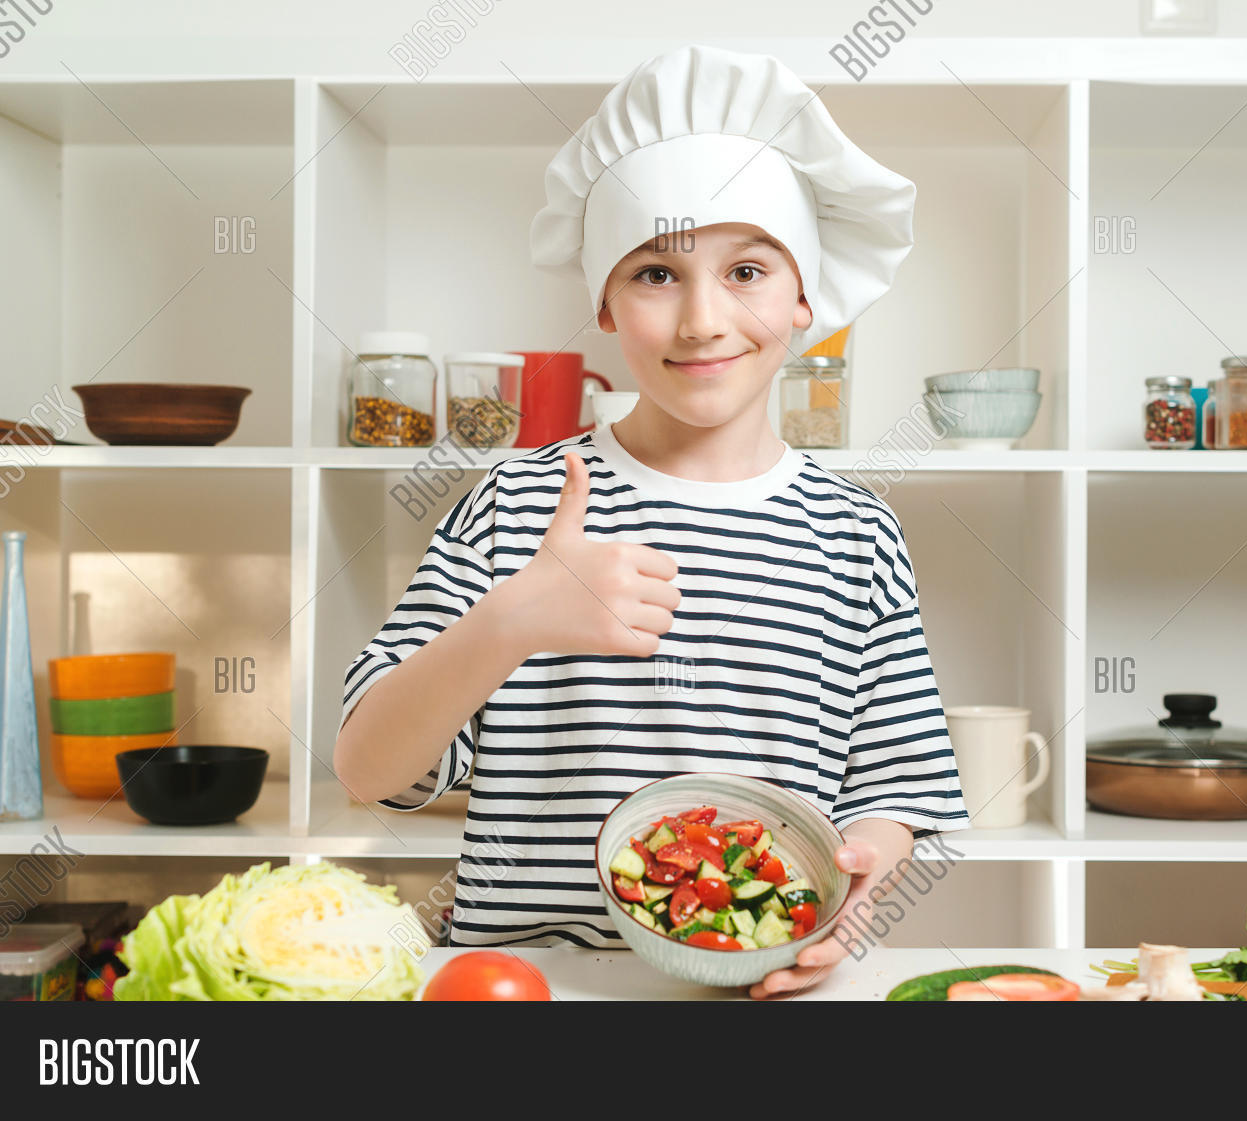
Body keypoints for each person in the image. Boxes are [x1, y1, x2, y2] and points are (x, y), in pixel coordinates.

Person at [334, 44, 968, 998]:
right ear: (604, 302)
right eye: (657, 275)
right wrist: (513, 618)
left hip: (754, 983)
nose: (703, 320)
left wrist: (859, 882)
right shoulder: (518, 505)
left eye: (747, 269)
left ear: (806, 301)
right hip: (521, 984)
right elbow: (366, 766)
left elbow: (893, 788)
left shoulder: (856, 532)